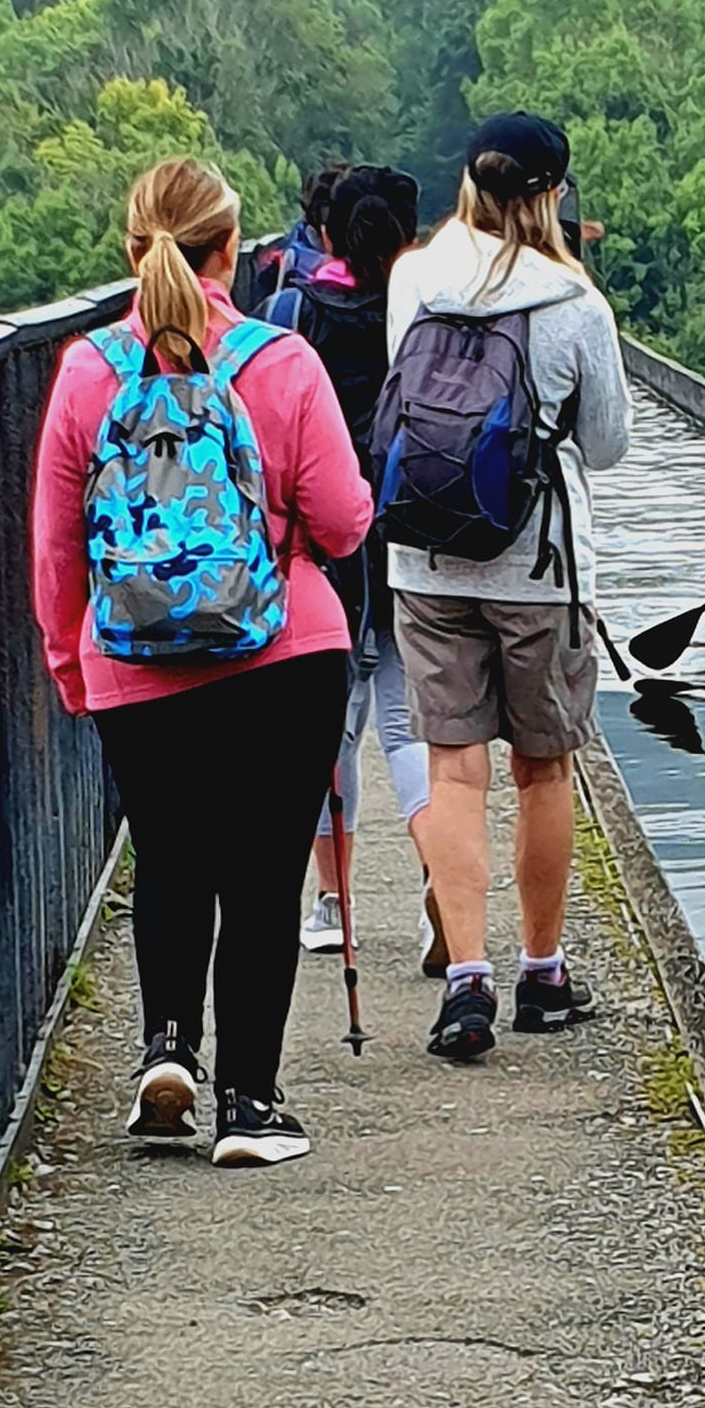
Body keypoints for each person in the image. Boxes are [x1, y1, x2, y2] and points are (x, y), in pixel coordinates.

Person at [32, 157, 372, 1167]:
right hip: (282, 651)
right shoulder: (281, 361)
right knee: (264, 878)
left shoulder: (88, 371)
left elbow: (56, 546)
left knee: (170, 856)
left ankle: (167, 1049)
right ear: (232, 250)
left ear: (132, 250)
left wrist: (71, 663)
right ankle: (249, 1105)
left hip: (132, 660)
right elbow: (343, 522)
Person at [381, 110, 632, 1062]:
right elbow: (606, 446)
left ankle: (466, 982)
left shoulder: (414, 277)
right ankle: (543, 974)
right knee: (543, 769)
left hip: (426, 558)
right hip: (539, 568)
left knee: (453, 766)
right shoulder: (574, 302)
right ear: (552, 195)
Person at [266, 164, 447, 973]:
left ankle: (333, 903)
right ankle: (441, 881)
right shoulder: (428, 314)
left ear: (324, 234)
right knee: (408, 725)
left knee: (328, 728)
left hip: (318, 547)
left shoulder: (292, 313)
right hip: (411, 541)